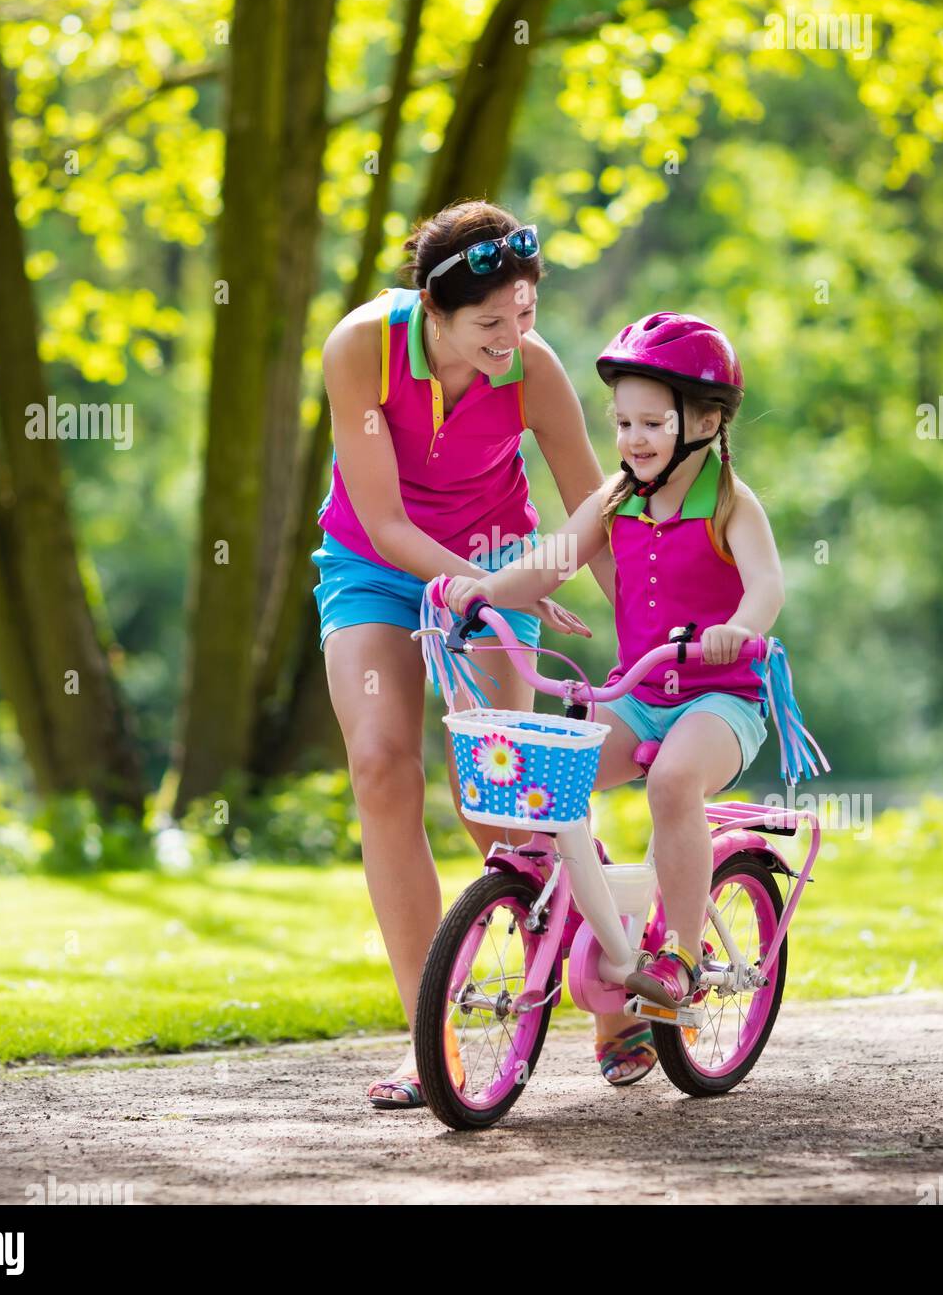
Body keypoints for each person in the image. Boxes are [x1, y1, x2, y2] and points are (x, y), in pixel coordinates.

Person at [314, 200, 640, 1107]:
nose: (514, 337)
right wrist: (478, 588)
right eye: (492, 323)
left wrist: (650, 637)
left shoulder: (532, 373)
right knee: (380, 766)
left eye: (527, 314)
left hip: (498, 558)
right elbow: (382, 521)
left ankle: (619, 984)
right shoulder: (360, 348)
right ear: (433, 308)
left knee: (500, 796)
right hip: (377, 569)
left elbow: (596, 512)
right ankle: (434, 1038)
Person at [444, 311, 785, 1029]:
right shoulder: (617, 499)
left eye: (652, 424)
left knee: (672, 781)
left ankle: (683, 958)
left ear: (704, 423)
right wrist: (484, 591)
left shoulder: (729, 502)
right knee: (547, 782)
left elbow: (767, 588)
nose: (632, 439)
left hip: (721, 699)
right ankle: (600, 914)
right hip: (639, 693)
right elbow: (553, 559)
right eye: (623, 423)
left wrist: (736, 631)